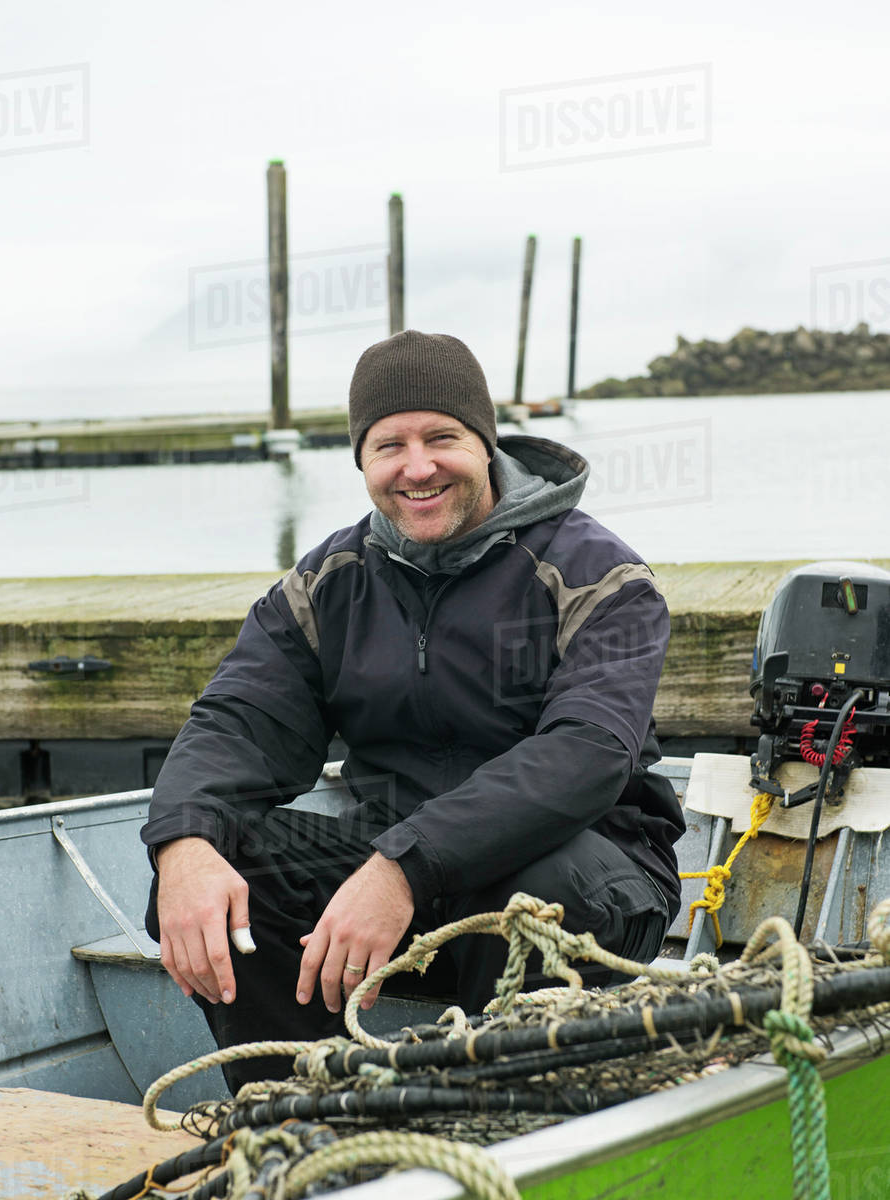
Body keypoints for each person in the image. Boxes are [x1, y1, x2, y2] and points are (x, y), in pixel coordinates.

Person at [141, 330, 685, 1092]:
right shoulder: (330, 579)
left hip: (591, 866)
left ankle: (510, 1126)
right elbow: (238, 719)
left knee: (531, 898)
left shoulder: (597, 575)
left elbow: (588, 753)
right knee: (224, 868)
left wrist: (402, 868)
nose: (418, 466)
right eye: (388, 445)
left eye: (442, 438)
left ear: (486, 445)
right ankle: (310, 1118)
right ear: (362, 462)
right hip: (396, 859)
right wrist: (184, 845)